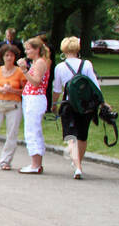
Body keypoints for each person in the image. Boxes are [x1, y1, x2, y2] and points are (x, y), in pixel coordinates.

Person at [53, 36, 108, 180]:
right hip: (86, 105)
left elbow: (57, 89)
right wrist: (102, 103)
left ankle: (77, 166)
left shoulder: (60, 67)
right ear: (78, 48)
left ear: (64, 50)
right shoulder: (87, 64)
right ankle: (78, 163)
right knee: (82, 136)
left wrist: (53, 104)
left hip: (69, 105)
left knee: (71, 137)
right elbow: (95, 86)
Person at [19, 35, 52, 174]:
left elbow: (36, 82)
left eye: (28, 49)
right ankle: (36, 162)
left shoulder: (39, 63)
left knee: (32, 131)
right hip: (32, 98)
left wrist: (24, 70)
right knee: (33, 130)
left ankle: (35, 164)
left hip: (35, 98)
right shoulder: (37, 62)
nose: (26, 52)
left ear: (37, 49)